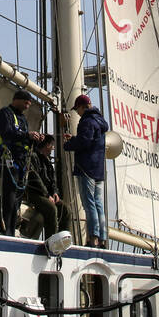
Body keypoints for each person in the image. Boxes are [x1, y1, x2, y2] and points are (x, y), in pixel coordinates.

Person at [63, 93, 109, 248]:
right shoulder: (100, 121)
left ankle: (93, 238)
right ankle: (102, 238)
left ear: (83, 107)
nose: (77, 113)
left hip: (86, 167)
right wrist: (75, 139)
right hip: (98, 169)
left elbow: (84, 142)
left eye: (77, 110)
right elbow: (89, 140)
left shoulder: (87, 121)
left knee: (89, 203)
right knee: (98, 204)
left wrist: (69, 144)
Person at [0, 89, 42, 236]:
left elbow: (24, 139)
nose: (27, 106)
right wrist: (26, 135)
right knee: (9, 195)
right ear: (18, 100)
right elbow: (6, 132)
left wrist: (34, 138)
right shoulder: (5, 114)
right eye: (26, 103)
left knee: (16, 198)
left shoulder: (23, 119)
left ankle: (11, 228)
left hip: (22, 162)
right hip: (8, 160)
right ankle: (4, 230)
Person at [24, 138, 71, 240]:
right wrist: (46, 195)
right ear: (47, 145)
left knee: (65, 209)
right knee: (51, 209)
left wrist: (55, 192)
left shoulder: (48, 162)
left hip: (47, 195)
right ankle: (51, 241)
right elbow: (35, 179)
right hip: (35, 194)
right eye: (52, 145)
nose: (53, 148)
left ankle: (63, 239)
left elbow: (52, 180)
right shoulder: (33, 157)